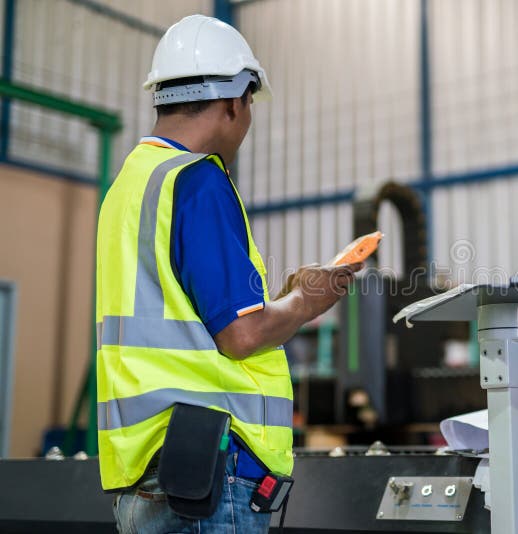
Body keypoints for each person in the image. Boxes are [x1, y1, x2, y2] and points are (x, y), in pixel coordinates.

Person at [95, 14, 361, 533]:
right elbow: (239, 336)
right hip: (209, 469)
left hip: (145, 468)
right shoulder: (198, 179)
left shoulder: (128, 186)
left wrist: (280, 299)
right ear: (234, 102)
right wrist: (307, 302)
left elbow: (180, 309)